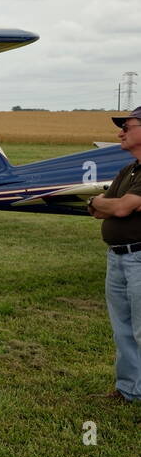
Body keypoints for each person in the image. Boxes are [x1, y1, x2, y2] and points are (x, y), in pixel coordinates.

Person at [86, 107, 141, 402]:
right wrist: (106, 202)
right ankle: (129, 390)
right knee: (123, 329)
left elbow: (116, 208)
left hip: (139, 258)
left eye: (127, 126)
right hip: (118, 257)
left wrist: (113, 203)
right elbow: (97, 208)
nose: (120, 132)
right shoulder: (128, 170)